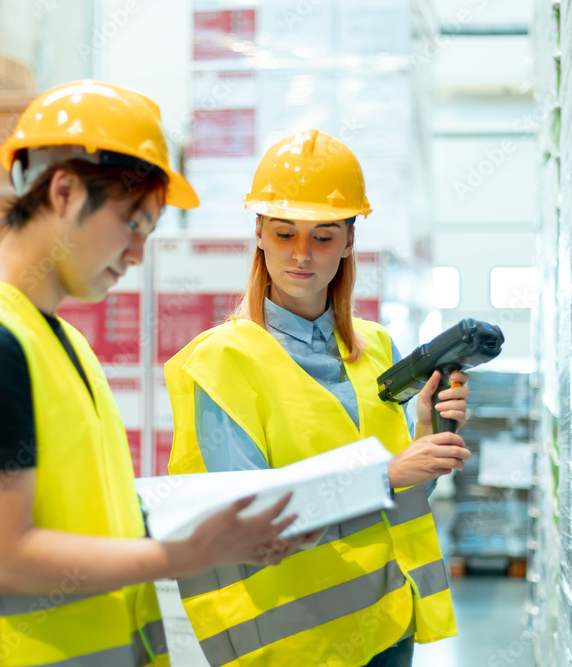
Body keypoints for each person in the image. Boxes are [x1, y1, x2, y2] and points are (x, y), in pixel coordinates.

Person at [0, 80, 317, 667]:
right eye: (133, 223)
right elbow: (8, 560)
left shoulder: (58, 342)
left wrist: (211, 522)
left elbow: (91, 504)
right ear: (64, 192)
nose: (139, 252)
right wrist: (186, 552)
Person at [165, 129, 472, 667]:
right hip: (290, 645)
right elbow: (246, 527)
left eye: (324, 237)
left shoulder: (376, 348)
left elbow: (400, 503)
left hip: (386, 627)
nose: (302, 254)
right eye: (284, 234)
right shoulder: (220, 362)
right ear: (259, 233)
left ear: (350, 241)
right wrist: (388, 473)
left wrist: (426, 437)